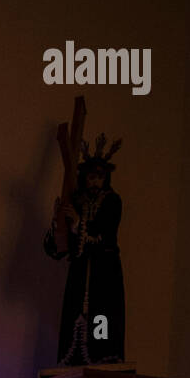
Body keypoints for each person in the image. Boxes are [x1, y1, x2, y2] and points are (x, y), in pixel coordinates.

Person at [44, 137, 125, 365]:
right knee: (75, 312)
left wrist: (79, 224)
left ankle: (101, 355)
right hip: (80, 272)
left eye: (99, 177)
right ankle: (75, 357)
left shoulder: (112, 201)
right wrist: (59, 221)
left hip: (104, 271)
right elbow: (60, 248)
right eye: (91, 176)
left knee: (102, 314)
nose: (95, 182)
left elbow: (106, 234)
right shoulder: (76, 201)